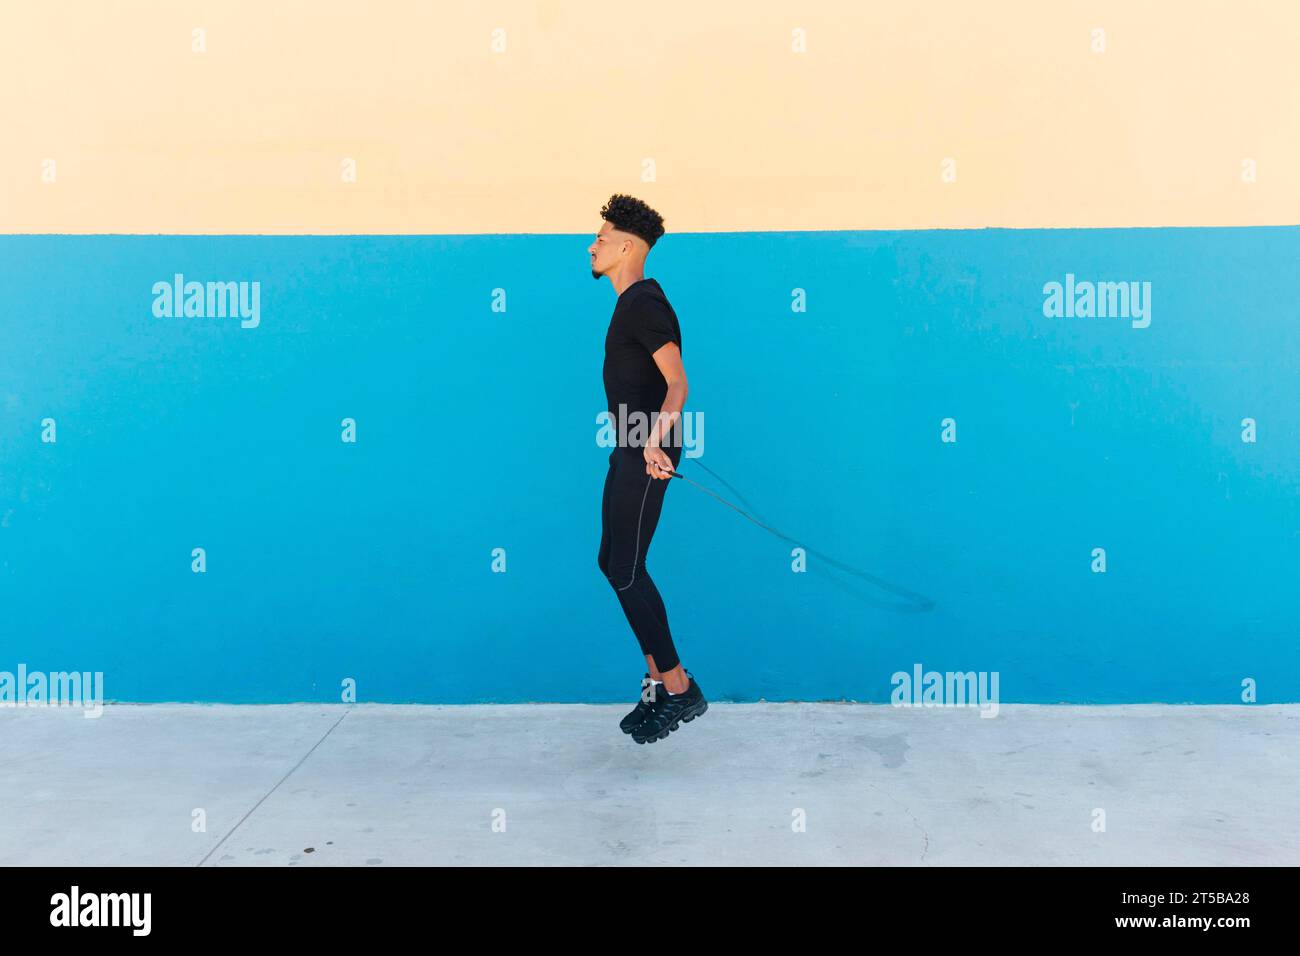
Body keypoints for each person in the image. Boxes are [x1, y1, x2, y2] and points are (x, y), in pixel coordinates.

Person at [589, 194, 707, 744]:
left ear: (628, 246)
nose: (592, 245)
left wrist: (656, 444)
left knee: (628, 567)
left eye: (602, 237)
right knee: (613, 562)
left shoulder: (644, 302)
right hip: (631, 445)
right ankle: (658, 681)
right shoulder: (627, 304)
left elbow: (678, 382)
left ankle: (680, 688)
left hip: (646, 448)